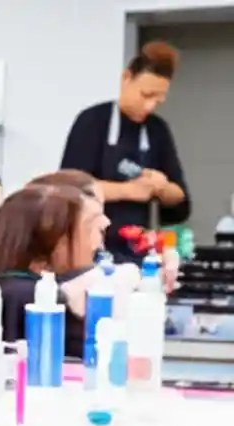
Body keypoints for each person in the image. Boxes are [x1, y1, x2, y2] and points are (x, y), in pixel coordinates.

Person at [60, 41, 190, 264]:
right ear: (126, 78)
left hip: (137, 253)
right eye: (145, 95)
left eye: (157, 100)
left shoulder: (157, 130)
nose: (149, 106)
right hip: (88, 251)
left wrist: (161, 187)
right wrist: (130, 190)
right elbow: (70, 188)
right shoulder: (92, 121)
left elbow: (180, 197)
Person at [0, 185, 111, 356]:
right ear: (54, 241)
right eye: (88, 229)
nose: (97, 244)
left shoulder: (3, 285)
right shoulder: (25, 296)